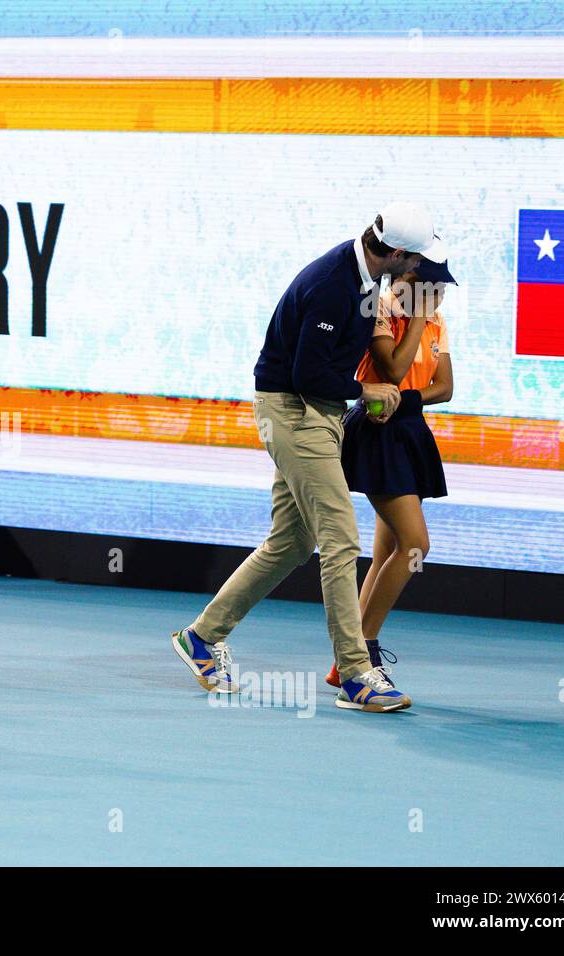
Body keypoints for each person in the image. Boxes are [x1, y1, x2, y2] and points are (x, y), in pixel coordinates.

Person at [170, 202, 445, 714]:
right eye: (417, 261)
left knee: (292, 541)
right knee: (340, 537)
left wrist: (368, 392)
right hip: (294, 413)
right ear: (399, 253)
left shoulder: (364, 280)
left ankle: (202, 637)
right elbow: (306, 374)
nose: (419, 272)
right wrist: (369, 391)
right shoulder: (334, 284)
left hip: (316, 413)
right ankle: (357, 673)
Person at [325, 254, 456, 687]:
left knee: (388, 552)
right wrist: (417, 318)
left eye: (438, 287)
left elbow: (445, 388)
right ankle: (363, 651)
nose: (434, 294)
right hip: (375, 431)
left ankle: (346, 660)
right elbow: (393, 369)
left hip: (407, 430)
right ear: (403, 278)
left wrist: (405, 400)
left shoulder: (436, 319)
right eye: (426, 284)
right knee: (416, 544)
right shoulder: (377, 310)